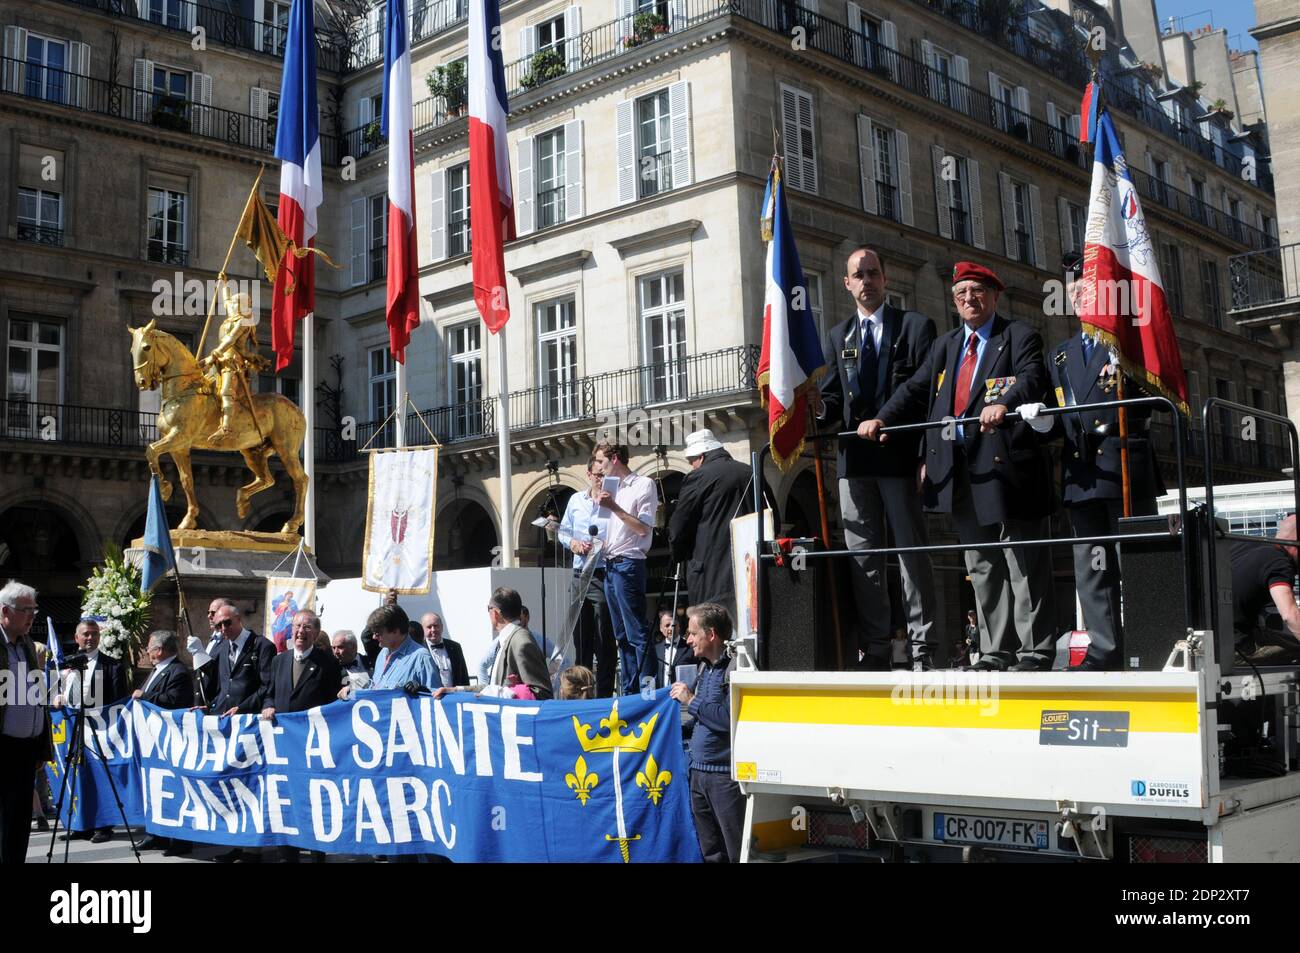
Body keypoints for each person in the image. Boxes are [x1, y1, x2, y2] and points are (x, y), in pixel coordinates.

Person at [863, 261, 1056, 672]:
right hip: (962, 470)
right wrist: (883, 417)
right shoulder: (947, 345)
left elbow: (1033, 376)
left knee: (1022, 562)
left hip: (1008, 469)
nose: (970, 299)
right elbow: (915, 389)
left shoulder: (1017, 335)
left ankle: (1035, 651)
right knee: (981, 565)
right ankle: (994, 652)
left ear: (995, 295)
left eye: (978, 291)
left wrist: (1005, 403)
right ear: (954, 300)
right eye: (962, 293)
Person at [1017, 252, 1165, 671]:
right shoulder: (1062, 354)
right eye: (1075, 291)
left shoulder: (1128, 339)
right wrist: (1043, 422)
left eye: (1089, 289)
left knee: (1135, 562)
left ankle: (1149, 642)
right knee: (1091, 566)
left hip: (1121, 466)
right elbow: (1056, 406)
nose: (1081, 296)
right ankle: (1103, 647)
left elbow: (1157, 390)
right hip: (1081, 471)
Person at [816, 247, 939, 670]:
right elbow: (833, 396)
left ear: (885, 280)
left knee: (911, 553)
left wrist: (906, 437)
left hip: (900, 453)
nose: (866, 281)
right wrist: (814, 409)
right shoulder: (839, 335)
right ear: (846, 284)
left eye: (873, 273)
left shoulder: (916, 327)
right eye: (858, 275)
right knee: (863, 558)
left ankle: (923, 646)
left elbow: (924, 390)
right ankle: (876, 647)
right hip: (855, 461)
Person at [258, 610, 340, 863]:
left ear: (315, 632)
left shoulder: (327, 662)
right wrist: (268, 705)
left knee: (312, 800)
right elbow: (269, 692)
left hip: (312, 745)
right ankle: (288, 854)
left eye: (306, 627)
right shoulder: (279, 661)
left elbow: (332, 700)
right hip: (283, 745)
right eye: (296, 626)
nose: (300, 631)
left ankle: (317, 853)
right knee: (285, 798)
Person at [671, 603, 744, 863]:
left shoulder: (733, 669)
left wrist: (692, 701)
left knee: (735, 851)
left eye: (692, 633)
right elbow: (702, 719)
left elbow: (728, 720)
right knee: (710, 851)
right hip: (699, 774)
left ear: (711, 635)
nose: (688, 640)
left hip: (724, 780)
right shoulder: (704, 669)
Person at [53, 618, 129, 845]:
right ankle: (81, 824)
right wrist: (57, 697)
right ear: (76, 638)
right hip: (73, 730)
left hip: (102, 731)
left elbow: (120, 702)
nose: (90, 638)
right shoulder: (67, 665)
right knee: (78, 777)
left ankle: (104, 825)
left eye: (94, 634)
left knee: (101, 777)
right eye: (86, 634)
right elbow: (59, 693)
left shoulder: (113, 665)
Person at [668, 429, 759, 618]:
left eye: (691, 461)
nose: (692, 466)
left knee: (712, 634)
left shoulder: (698, 477)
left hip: (710, 573)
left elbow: (678, 527)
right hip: (751, 570)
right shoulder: (750, 471)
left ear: (701, 456)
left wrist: (679, 555)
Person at [593, 442, 659, 695]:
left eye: (601, 461)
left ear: (616, 458)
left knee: (637, 632)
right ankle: (630, 691)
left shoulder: (643, 484)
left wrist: (615, 508)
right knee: (621, 635)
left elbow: (643, 528)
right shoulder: (610, 487)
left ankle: (648, 691)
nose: (598, 468)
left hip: (629, 562)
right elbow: (603, 528)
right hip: (609, 564)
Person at [557, 458, 617, 697]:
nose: (601, 480)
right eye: (597, 475)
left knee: (604, 638)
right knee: (580, 635)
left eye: (605, 475)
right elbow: (563, 531)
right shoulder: (575, 501)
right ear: (589, 475)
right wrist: (572, 543)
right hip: (580, 573)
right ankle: (579, 693)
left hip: (603, 572)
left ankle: (603, 693)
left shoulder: (612, 502)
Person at [0, 580, 50, 864]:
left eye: (34, 609)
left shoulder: (28, 645)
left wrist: (40, 741)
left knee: (19, 823)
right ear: (5, 611)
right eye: (26, 610)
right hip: (3, 747)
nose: (32, 616)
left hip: (26, 748)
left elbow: (34, 695)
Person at [133, 630, 194, 856]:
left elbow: (174, 701)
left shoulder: (178, 671)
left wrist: (144, 696)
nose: (147, 651)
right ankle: (157, 834)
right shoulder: (156, 671)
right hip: (153, 742)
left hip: (171, 742)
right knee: (156, 789)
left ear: (159, 650)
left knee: (174, 790)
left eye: (149, 647)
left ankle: (180, 840)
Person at [436, 588, 553, 700]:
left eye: (489, 609)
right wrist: (455, 690)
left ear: (495, 613)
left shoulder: (521, 641)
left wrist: (501, 693)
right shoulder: (506, 639)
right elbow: (493, 687)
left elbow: (542, 693)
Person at [199, 282, 270, 442]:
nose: (232, 305)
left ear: (243, 305)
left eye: (236, 303)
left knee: (226, 391)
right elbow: (226, 301)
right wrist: (223, 284)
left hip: (233, 361)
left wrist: (212, 356)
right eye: (234, 302)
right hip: (221, 359)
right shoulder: (233, 316)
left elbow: (230, 340)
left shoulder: (244, 322)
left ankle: (226, 428)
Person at [1231, 514, 1300, 662]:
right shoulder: (1279, 563)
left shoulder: (1246, 546)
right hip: (1239, 648)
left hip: (1213, 642)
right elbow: (1290, 615)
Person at [196, 603, 276, 715]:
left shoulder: (262, 645)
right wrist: (211, 706)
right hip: (223, 717)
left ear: (238, 619)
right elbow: (224, 687)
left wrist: (241, 708)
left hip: (247, 717)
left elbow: (266, 686)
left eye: (227, 623)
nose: (223, 628)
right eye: (219, 626)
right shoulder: (223, 647)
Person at [342, 604, 438, 697]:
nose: (374, 637)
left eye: (378, 633)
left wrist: (421, 690)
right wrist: (353, 692)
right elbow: (375, 690)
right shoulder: (383, 653)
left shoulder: (421, 657)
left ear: (395, 631)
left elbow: (435, 700)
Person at [420, 612, 469, 689]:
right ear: (423, 629)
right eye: (429, 627)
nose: (433, 629)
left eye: (436, 626)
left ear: (442, 627)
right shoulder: (419, 650)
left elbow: (464, 676)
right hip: (431, 697)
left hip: (454, 697)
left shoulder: (455, 647)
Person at [654, 609, 696, 688]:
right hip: (662, 697)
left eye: (674, 625)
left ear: (679, 626)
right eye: (667, 625)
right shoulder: (656, 650)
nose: (671, 628)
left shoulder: (690, 648)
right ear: (661, 628)